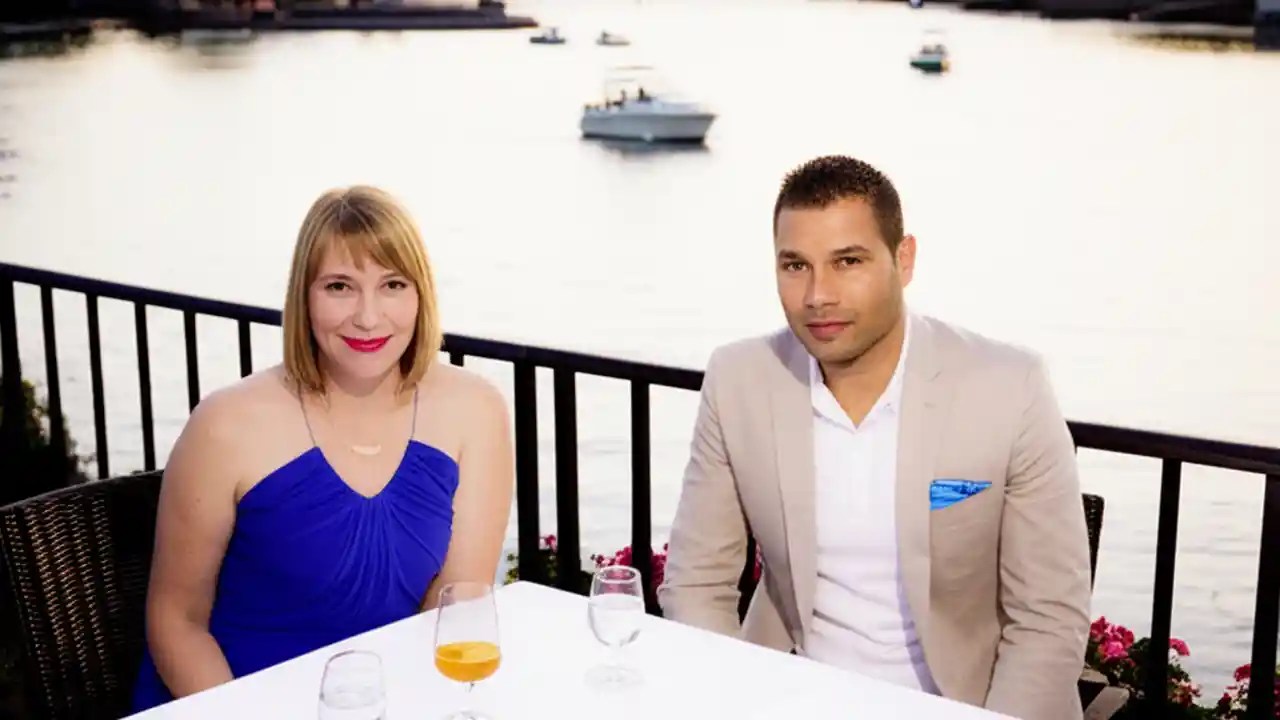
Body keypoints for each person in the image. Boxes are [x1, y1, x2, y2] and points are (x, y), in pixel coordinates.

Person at [657, 155, 1091, 720]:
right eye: (795, 265)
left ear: (903, 260)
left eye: (848, 261)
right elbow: (696, 582)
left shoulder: (1009, 387)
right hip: (783, 695)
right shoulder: (740, 378)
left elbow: (1048, 619)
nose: (818, 295)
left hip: (962, 707)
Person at [131, 186, 514, 711]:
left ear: (420, 294)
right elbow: (176, 621)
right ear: (304, 297)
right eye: (339, 287)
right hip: (231, 704)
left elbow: (456, 602)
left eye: (392, 285)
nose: (368, 317)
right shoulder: (226, 425)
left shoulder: (475, 409)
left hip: (384, 702)